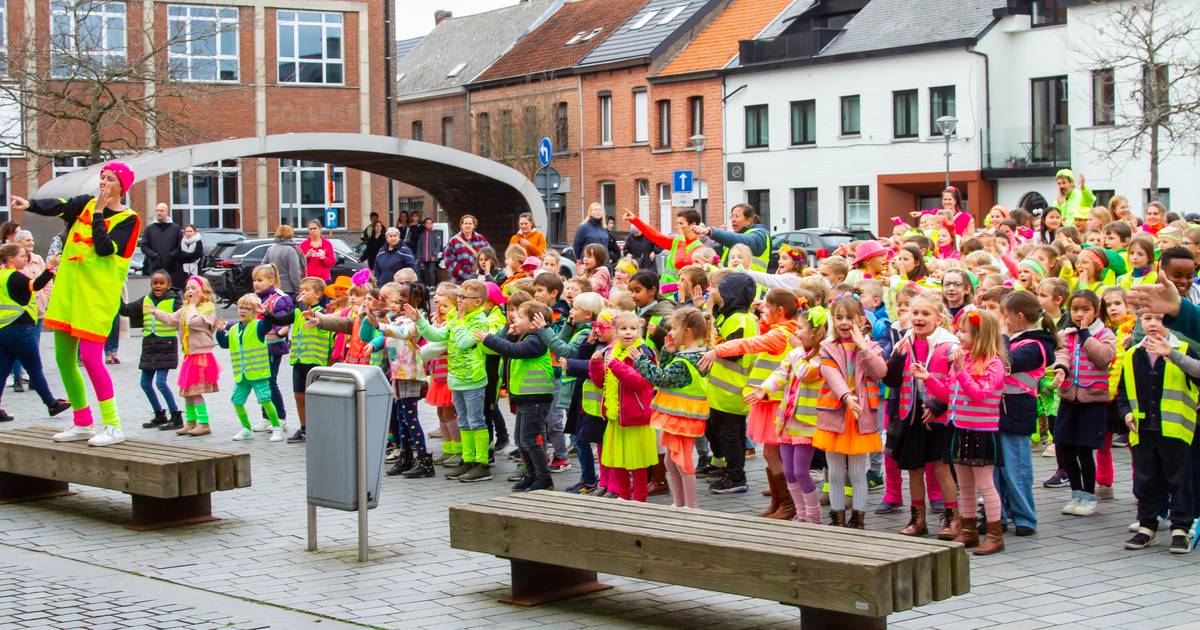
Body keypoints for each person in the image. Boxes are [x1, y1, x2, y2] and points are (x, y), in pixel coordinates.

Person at [12, 161, 142, 447]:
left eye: (110, 179)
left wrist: (97, 214)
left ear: (122, 186)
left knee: (92, 358)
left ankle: (112, 424)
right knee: (62, 358)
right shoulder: (84, 203)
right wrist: (30, 203)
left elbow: (105, 248)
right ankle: (83, 421)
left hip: (95, 298)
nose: (104, 182)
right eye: (102, 177)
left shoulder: (130, 219)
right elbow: (60, 205)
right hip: (69, 292)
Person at [919, 310, 1007, 554]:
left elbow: (979, 394)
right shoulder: (964, 360)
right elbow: (949, 394)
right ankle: (968, 530)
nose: (958, 335)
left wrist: (961, 371)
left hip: (982, 431)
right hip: (960, 428)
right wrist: (927, 379)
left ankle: (994, 533)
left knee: (985, 485)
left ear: (980, 336)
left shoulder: (995, 364)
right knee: (965, 484)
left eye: (963, 331)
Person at [1118, 310, 1200, 553]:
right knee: (1145, 480)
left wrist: (1172, 355)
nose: (1153, 324)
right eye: (1147, 319)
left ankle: (1180, 528)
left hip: (1176, 428)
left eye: (1159, 319)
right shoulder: (1132, 354)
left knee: (1179, 480)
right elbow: (1123, 390)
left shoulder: (1183, 350)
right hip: (1143, 429)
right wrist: (1126, 413)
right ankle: (1147, 526)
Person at [884, 293, 962, 537]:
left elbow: (957, 384)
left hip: (939, 414)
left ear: (938, 318)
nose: (919, 318)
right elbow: (891, 379)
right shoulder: (904, 342)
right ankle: (918, 520)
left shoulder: (949, 345)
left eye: (925, 314)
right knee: (914, 468)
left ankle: (952, 519)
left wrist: (938, 404)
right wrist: (897, 356)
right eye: (915, 313)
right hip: (911, 412)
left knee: (941, 469)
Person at [814, 297, 887, 529]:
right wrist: (846, 397)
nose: (844, 322)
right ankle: (837, 518)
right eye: (839, 318)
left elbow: (880, 372)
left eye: (849, 317)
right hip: (835, 413)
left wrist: (863, 346)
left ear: (861, 320)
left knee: (857, 473)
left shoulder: (872, 347)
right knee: (834, 473)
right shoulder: (827, 347)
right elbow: (831, 375)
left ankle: (858, 518)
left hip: (861, 416)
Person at [728, 289, 801, 518]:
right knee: (771, 453)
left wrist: (716, 350)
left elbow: (749, 344)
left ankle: (788, 505)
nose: (763, 311)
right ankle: (779, 502)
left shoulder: (781, 333)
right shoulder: (780, 329)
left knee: (772, 453)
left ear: (780, 311)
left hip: (775, 400)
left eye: (767, 307)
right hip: (768, 398)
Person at [408, 280, 491, 482]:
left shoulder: (479, 320)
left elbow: (464, 343)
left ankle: (482, 464)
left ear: (478, 301)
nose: (459, 301)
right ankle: (468, 460)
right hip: (457, 379)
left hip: (473, 379)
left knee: (476, 421)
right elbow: (436, 336)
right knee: (463, 421)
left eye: (464, 298)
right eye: (459, 297)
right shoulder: (456, 319)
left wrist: (461, 319)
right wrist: (420, 321)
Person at [754, 305, 828, 523]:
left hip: (806, 424)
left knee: (801, 471)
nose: (796, 333)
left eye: (801, 328)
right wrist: (765, 389)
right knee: (788, 471)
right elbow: (781, 373)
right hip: (787, 421)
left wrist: (796, 354)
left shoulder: (821, 357)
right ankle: (800, 512)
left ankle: (814, 515)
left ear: (814, 333)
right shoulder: (796, 354)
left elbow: (805, 373)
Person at [631, 307, 709, 508]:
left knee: (681, 462)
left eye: (674, 328)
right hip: (679, 417)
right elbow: (669, 376)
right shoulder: (694, 354)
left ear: (688, 331)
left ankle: (690, 506)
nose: (670, 333)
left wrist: (640, 361)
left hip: (682, 418)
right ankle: (679, 503)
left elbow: (661, 378)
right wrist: (668, 352)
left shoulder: (685, 361)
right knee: (671, 461)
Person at [1049, 290, 1115, 517]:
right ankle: (1075, 492)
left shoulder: (1104, 334)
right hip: (1069, 398)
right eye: (1075, 309)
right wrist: (1060, 369)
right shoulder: (1066, 334)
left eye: (1085, 309)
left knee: (1084, 450)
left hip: (1092, 401)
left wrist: (1086, 335)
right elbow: (1062, 355)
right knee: (1065, 446)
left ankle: (1088, 495)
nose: (1079, 314)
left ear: (1096, 311)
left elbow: (1103, 357)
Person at [996, 291, 1057, 537]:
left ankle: (1025, 516)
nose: (1004, 321)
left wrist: (999, 334)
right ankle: (999, 513)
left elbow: (1005, 361)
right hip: (998, 410)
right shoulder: (1018, 340)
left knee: (1016, 468)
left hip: (1017, 412)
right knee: (997, 468)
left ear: (1019, 317)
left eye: (1005, 317)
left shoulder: (1036, 345)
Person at [480, 300, 556, 492]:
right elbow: (511, 351)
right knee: (522, 440)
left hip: (536, 398)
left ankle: (543, 477)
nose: (515, 317)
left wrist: (489, 338)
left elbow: (514, 351)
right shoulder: (525, 338)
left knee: (530, 439)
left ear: (533, 323)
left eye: (520, 316)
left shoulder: (538, 340)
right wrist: (512, 336)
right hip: (525, 396)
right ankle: (531, 475)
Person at [699, 273, 758, 494]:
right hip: (722, 389)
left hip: (733, 389)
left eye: (721, 289)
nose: (716, 292)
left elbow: (733, 352)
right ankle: (732, 471)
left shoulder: (741, 319)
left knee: (731, 435)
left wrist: (715, 346)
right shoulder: (730, 315)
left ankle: (736, 477)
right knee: (724, 432)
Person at [590, 312, 658, 502]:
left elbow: (639, 382)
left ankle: (640, 499)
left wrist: (616, 365)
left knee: (637, 464)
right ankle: (623, 496)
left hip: (635, 417)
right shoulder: (613, 351)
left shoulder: (643, 352)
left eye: (633, 329)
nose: (629, 333)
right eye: (624, 329)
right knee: (617, 460)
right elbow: (600, 383)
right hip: (616, 415)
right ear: (615, 331)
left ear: (639, 331)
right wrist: (596, 364)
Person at [0, 243, 70, 422]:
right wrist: (50, 266)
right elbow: (37, 285)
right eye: (22, 256)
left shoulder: (1, 275)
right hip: (20, 330)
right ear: (10, 259)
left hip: (4, 330)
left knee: (2, 371)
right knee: (35, 369)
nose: (25, 259)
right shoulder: (15, 277)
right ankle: (52, 404)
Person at [146, 276, 224, 437]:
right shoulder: (188, 308)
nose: (190, 291)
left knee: (195, 391)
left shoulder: (207, 308)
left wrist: (193, 305)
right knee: (187, 391)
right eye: (188, 288)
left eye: (194, 288)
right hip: (190, 354)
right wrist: (155, 312)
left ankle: (204, 423)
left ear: (204, 291)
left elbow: (193, 323)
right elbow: (172, 319)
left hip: (201, 355)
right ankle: (190, 421)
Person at [260, 277, 333, 443]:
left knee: (315, 397)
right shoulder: (299, 311)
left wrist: (299, 304)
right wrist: (265, 312)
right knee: (299, 397)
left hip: (315, 361)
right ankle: (304, 428)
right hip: (299, 360)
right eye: (302, 289)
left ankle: (319, 427)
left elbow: (310, 318)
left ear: (319, 294)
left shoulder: (322, 312)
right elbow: (281, 320)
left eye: (307, 290)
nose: (302, 293)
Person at [118, 270, 183, 431]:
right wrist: (115, 293)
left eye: (162, 283)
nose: (158, 286)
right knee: (145, 383)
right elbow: (126, 310)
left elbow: (183, 316)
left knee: (161, 382)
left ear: (168, 286)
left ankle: (176, 415)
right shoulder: (146, 300)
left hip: (166, 345)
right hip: (149, 346)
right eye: (155, 283)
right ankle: (159, 414)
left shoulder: (174, 300)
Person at [218, 294, 285, 442]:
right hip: (242, 375)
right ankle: (246, 428)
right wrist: (219, 331)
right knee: (237, 401)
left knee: (266, 401)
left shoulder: (258, 326)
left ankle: (277, 428)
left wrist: (265, 313)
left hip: (258, 374)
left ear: (254, 312)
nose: (243, 310)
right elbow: (224, 343)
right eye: (241, 307)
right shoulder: (234, 329)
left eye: (247, 308)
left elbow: (268, 324)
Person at [693, 203, 771, 272]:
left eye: (737, 216)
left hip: (752, 286)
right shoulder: (733, 237)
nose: (733, 220)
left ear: (748, 221)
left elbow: (746, 242)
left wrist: (712, 232)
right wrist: (719, 243)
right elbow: (721, 260)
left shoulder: (760, 234)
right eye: (732, 216)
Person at [139, 203, 183, 287]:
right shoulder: (149, 229)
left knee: (171, 292)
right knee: (157, 292)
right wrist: (153, 255)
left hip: (172, 269)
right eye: (157, 210)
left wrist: (172, 256)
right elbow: (144, 246)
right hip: (155, 268)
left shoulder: (175, 228)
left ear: (167, 212)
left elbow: (180, 246)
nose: (159, 213)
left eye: (162, 211)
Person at [442, 215, 489, 284]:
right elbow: (448, 259)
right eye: (465, 223)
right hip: (459, 279)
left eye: (470, 223)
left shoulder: (481, 239)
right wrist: (461, 272)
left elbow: (489, 256)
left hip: (478, 278)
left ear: (474, 225)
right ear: (462, 225)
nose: (468, 225)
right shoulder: (454, 241)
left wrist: (483, 270)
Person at [262, 224, 303, 296]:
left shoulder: (271, 249)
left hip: (273, 288)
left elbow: (263, 267)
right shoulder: (290, 250)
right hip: (288, 289)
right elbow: (294, 273)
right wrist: (298, 290)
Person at [415, 216, 443, 287]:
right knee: (426, 273)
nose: (429, 224)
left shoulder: (435, 233)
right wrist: (418, 257)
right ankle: (427, 286)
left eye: (430, 223)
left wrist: (434, 255)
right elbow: (419, 246)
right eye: (427, 223)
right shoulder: (422, 235)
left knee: (431, 272)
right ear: (425, 224)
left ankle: (432, 286)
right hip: (424, 257)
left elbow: (438, 245)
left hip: (432, 257)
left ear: (432, 224)